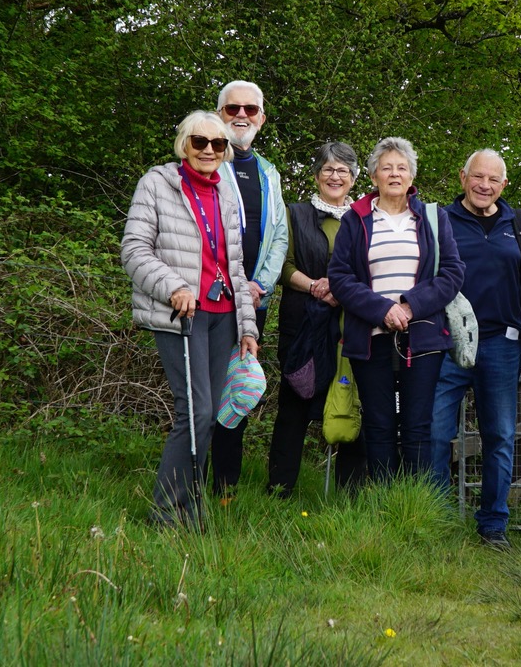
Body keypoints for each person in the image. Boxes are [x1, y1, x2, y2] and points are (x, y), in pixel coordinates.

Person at [121, 111, 259, 528]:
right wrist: (172, 287)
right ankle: (166, 512)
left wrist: (248, 327)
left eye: (218, 145)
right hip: (183, 314)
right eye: (200, 142)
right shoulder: (158, 184)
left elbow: (235, 267)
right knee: (195, 413)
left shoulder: (227, 194)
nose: (209, 151)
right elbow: (134, 251)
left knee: (212, 413)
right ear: (185, 144)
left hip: (223, 317)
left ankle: (189, 509)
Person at [327, 137, 465, 481]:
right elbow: (340, 277)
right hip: (369, 336)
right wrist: (382, 310)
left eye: (401, 167)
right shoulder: (355, 219)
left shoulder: (434, 218)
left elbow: (452, 272)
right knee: (379, 423)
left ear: (411, 176)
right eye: (386, 167)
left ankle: (414, 507)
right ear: (373, 176)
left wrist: (408, 305)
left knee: (418, 425)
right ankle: (384, 507)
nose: (394, 173)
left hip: (423, 337)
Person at [430, 150, 521, 550]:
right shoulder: (439, 220)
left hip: (501, 344)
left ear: (503, 185)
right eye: (477, 177)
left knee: (499, 436)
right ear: (462, 177)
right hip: (446, 342)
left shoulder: (517, 224)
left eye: (493, 180)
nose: (484, 185)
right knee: (434, 432)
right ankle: (435, 519)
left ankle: (493, 526)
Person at [266, 142, 367, 497]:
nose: (335, 176)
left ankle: (350, 494)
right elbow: (283, 264)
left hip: (350, 326)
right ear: (317, 175)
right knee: (294, 402)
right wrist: (316, 287)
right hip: (303, 325)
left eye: (343, 170)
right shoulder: (293, 214)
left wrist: (344, 290)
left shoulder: (365, 220)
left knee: (350, 399)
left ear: (354, 178)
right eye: (328, 169)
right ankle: (280, 489)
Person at [209, 80, 288, 494]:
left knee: (239, 388)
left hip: (253, 301)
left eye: (250, 109)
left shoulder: (268, 172)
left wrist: (259, 285)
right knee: (205, 391)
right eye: (232, 108)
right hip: (213, 297)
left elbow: (279, 237)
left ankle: (225, 488)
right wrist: (233, 284)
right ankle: (191, 481)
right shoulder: (206, 162)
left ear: (262, 117)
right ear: (220, 113)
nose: (242, 115)